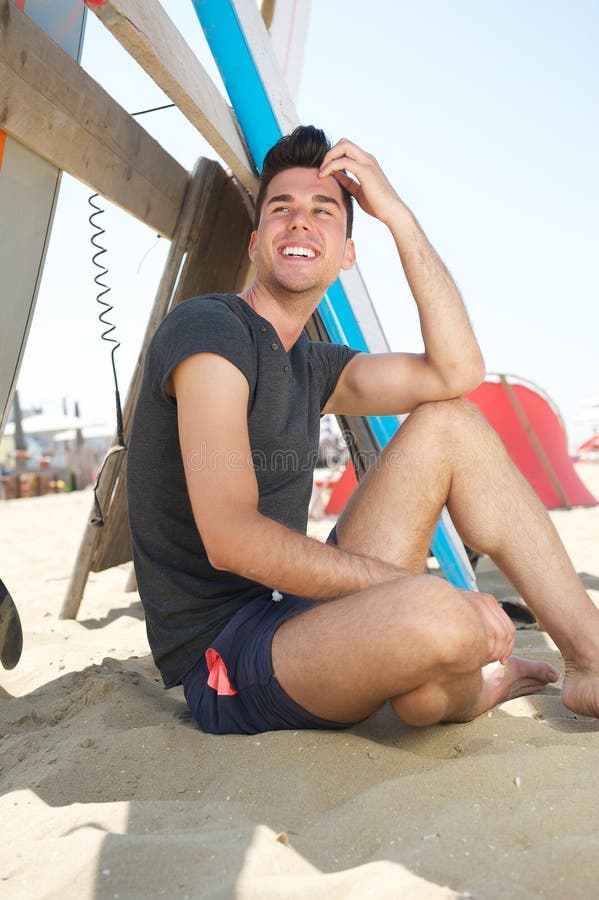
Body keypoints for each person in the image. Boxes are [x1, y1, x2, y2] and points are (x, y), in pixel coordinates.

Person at [127, 125, 599, 735]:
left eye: (323, 211)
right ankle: (448, 682)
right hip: (229, 654)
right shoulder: (211, 330)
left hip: (298, 612)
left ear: (347, 254)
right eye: (281, 209)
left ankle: (587, 660)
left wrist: (397, 216)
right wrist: (409, 589)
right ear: (255, 243)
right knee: (438, 614)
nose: (301, 222)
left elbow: (457, 372)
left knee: (450, 421)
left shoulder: (312, 364)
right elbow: (233, 540)